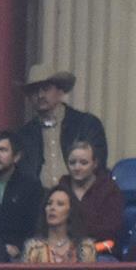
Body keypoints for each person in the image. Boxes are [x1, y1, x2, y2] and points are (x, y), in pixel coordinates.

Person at [15, 64, 110, 192]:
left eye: (46, 88)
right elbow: (24, 176)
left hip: (82, 198)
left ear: (60, 91)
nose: (40, 95)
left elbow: (98, 165)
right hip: (40, 203)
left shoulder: (86, 124)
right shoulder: (24, 135)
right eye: (34, 90)